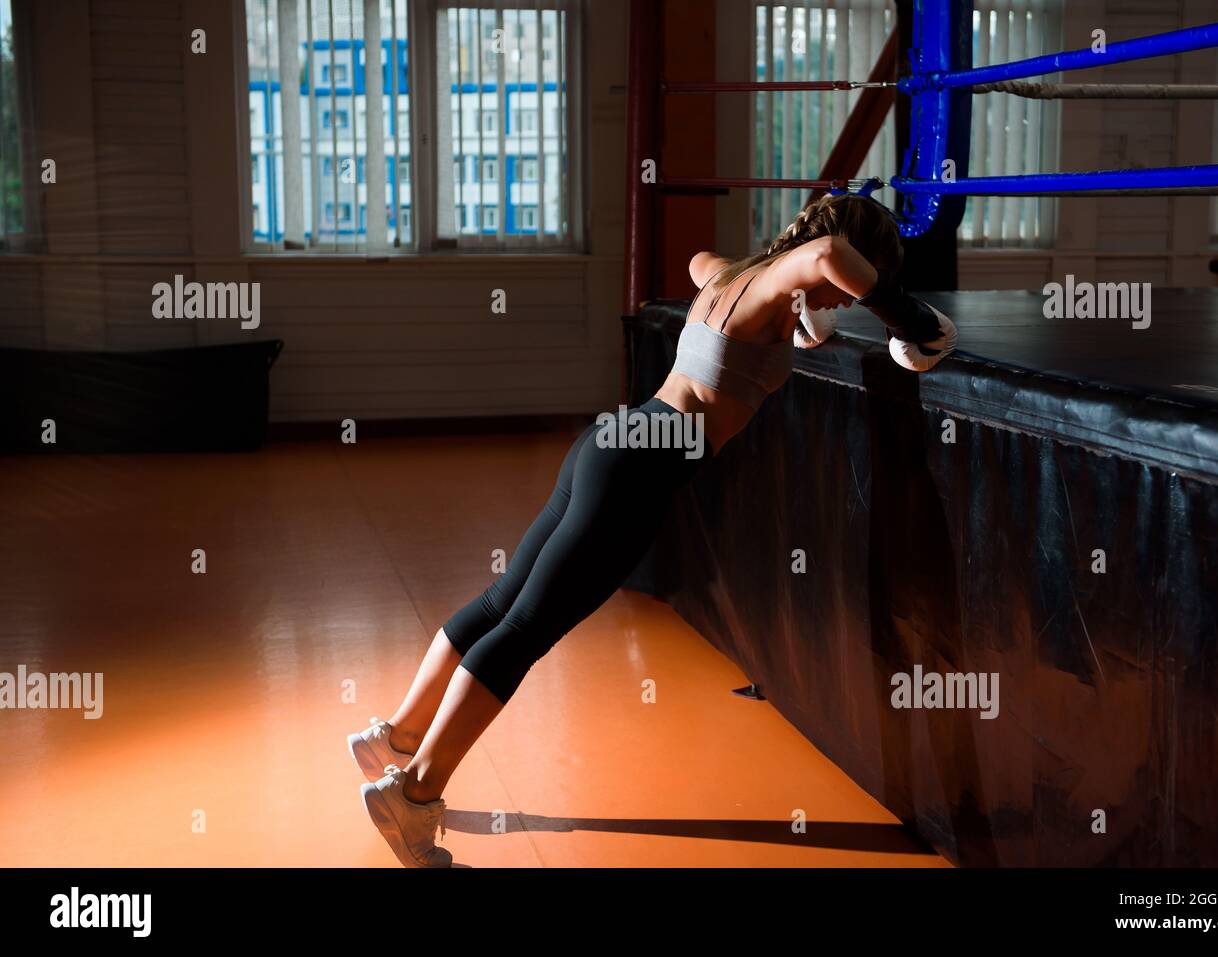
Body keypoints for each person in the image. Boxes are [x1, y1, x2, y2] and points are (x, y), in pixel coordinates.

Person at [348, 191, 957, 867]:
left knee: (502, 602)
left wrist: (798, 310)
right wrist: (908, 317)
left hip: (613, 439)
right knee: (524, 628)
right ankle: (415, 791)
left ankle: (398, 735)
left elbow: (703, 263)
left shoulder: (735, 275)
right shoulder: (799, 269)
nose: (848, 296)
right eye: (860, 280)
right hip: (643, 464)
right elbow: (824, 255)